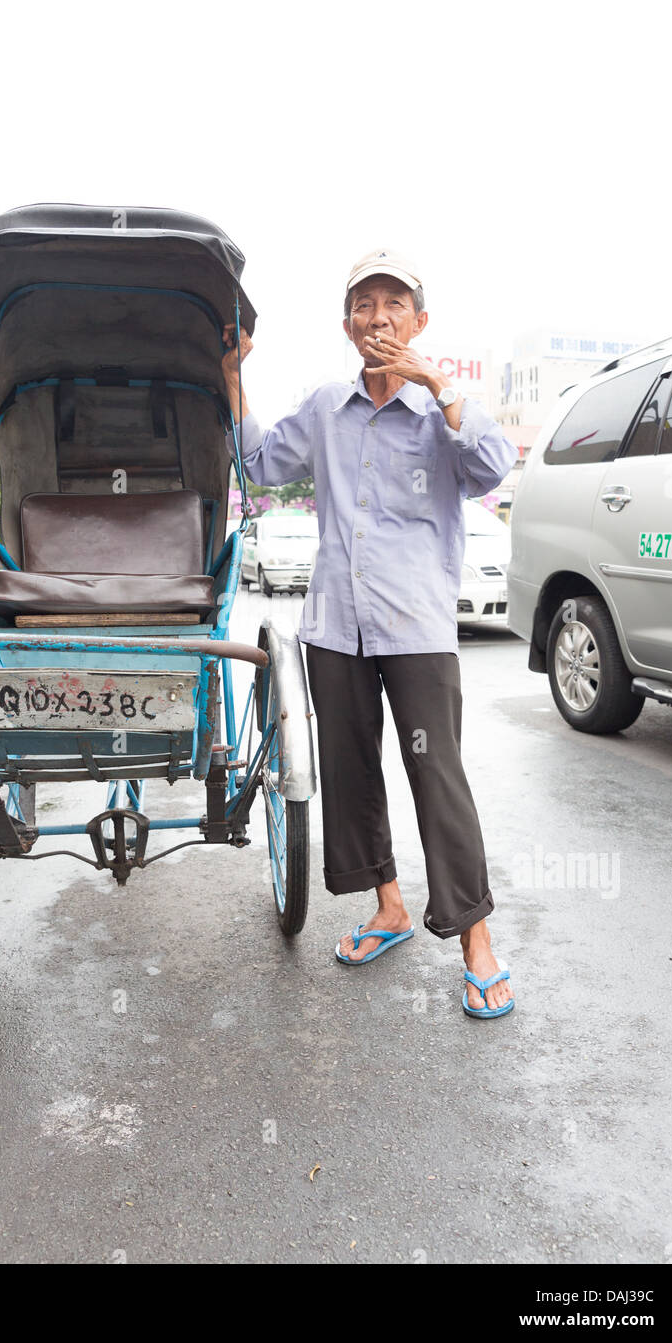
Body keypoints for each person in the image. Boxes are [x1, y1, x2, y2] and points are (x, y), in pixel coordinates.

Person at [222, 249, 518, 1018]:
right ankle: (387, 905)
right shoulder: (326, 405)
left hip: (416, 627)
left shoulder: (442, 410)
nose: (378, 316)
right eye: (363, 303)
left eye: (394, 303)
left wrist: (438, 384)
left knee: (437, 778)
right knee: (350, 773)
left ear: (420, 320)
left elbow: (491, 468)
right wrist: (232, 377)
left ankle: (476, 942)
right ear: (347, 323)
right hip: (335, 629)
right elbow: (257, 463)